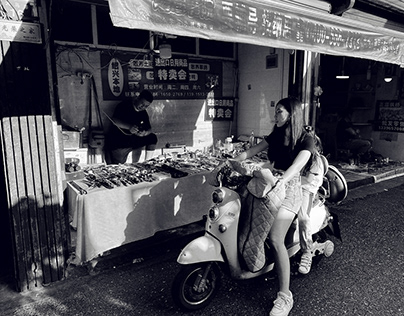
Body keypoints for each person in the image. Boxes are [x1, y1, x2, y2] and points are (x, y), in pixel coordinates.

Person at [232, 97, 315, 316]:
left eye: (279, 112)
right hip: (269, 184)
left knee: (275, 238)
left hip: (290, 189)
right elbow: (252, 151)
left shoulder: (306, 139)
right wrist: (233, 161)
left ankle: (285, 296)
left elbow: (299, 165)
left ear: (291, 114)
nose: (275, 115)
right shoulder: (277, 133)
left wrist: (282, 180)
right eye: (275, 111)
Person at [297, 128, 325, 275]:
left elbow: (308, 180)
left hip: (306, 190)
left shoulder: (316, 160)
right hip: (292, 186)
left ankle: (306, 251)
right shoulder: (295, 153)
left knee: (302, 218)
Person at [105, 90, 158, 164]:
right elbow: (114, 121)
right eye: (142, 104)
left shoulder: (143, 112)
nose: (143, 107)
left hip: (134, 139)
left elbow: (149, 129)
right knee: (119, 165)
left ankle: (148, 163)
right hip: (120, 139)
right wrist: (129, 127)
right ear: (138, 98)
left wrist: (144, 133)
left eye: (146, 106)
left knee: (152, 137)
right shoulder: (124, 106)